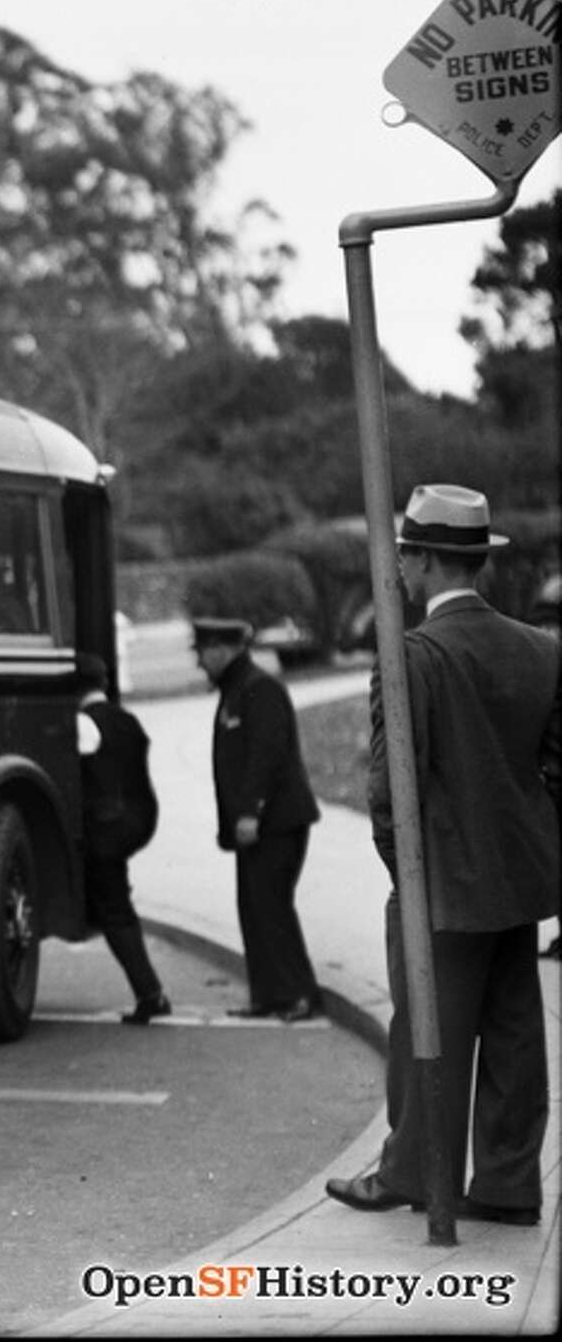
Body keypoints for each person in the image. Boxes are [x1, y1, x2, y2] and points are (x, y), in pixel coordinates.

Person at [325, 485, 560, 1226]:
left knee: (429, 1032)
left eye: (405, 554)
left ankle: (415, 1174)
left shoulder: (412, 657)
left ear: (423, 561)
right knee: (516, 1033)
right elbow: (556, 770)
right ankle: (509, 1184)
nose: (399, 566)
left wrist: (408, 874)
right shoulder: (541, 649)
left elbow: (389, 790)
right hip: (519, 878)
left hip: (442, 881)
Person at [193, 615, 323, 1022]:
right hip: (257, 826)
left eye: (203, 652)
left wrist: (251, 811)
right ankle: (268, 995)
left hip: (276, 822)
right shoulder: (237, 690)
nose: (199, 662)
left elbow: (267, 755)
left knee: (272, 907)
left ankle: (300, 994)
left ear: (222, 650)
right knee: (254, 908)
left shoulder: (259, 689)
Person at [75, 653, 169, 1024]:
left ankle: (150, 994)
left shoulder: (83, 723)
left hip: (105, 829)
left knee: (114, 912)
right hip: (138, 821)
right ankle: (150, 992)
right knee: (117, 906)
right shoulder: (127, 719)